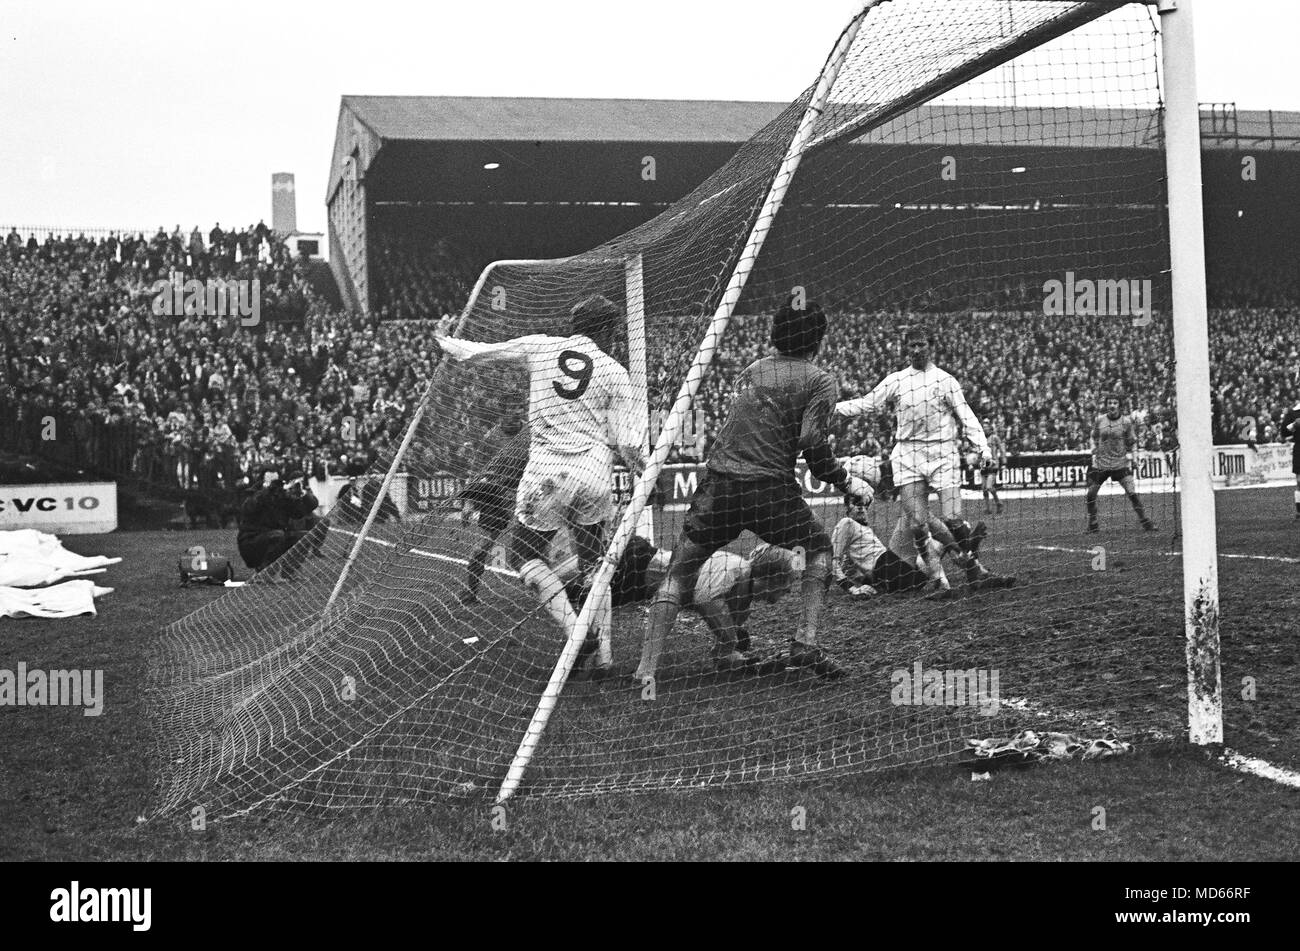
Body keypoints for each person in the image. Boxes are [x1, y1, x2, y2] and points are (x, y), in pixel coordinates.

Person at [635, 298, 873, 683]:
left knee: (679, 573)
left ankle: (645, 672)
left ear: (776, 333)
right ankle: (805, 642)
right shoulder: (819, 380)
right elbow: (813, 442)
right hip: (768, 490)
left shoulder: (751, 370)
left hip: (719, 486)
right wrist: (847, 481)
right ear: (818, 339)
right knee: (819, 550)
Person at [433, 295, 646, 674]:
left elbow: (479, 354)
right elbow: (628, 444)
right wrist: (645, 474)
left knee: (523, 556)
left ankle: (577, 633)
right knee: (596, 563)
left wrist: (445, 340)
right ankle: (606, 657)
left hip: (546, 473)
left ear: (574, 325)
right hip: (594, 473)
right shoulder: (616, 371)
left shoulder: (542, 346)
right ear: (608, 331)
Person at [835, 327, 1013, 593]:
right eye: (912, 346)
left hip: (943, 453)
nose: (916, 350)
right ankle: (941, 581)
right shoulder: (897, 380)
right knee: (917, 522)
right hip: (908, 454)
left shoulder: (945, 380)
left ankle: (974, 567)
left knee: (952, 517)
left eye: (921, 344)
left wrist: (984, 449)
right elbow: (868, 403)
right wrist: (834, 408)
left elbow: (967, 417)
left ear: (930, 346)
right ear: (906, 349)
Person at [562, 536, 799, 669]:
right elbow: (705, 598)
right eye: (787, 582)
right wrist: (730, 637)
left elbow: (721, 657)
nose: (789, 589)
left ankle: (579, 646)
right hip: (636, 562)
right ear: (771, 577)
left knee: (585, 599)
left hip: (640, 587)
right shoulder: (735, 567)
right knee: (577, 589)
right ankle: (548, 579)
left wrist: (752, 665)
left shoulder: (743, 605)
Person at [1085, 395, 1156, 533]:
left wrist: (1135, 458)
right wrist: (1093, 447)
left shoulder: (1126, 422)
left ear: (1119, 405)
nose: (1112, 405)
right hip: (1101, 464)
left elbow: (1133, 442)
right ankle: (1093, 523)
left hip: (1120, 463)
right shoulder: (1099, 420)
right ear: (1106, 405)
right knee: (1090, 495)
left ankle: (1146, 521)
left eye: (1115, 403)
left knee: (1132, 493)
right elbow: (1092, 437)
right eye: (1109, 402)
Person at [236, 470, 324, 573]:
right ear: (262, 481)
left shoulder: (280, 496)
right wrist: (268, 490)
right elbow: (249, 507)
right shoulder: (253, 494)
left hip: (275, 538)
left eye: (276, 481)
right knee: (278, 535)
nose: (274, 485)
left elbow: (303, 511)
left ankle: (288, 572)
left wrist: (302, 494)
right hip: (252, 543)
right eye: (271, 481)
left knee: (305, 536)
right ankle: (266, 572)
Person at [981, 417, 1005, 515]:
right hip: (984, 464)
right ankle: (988, 509)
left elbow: (1002, 449)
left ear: (990, 429)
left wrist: (1004, 463)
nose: (985, 429)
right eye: (984, 427)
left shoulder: (995, 437)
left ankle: (999, 503)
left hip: (993, 464)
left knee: (989, 487)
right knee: (983, 488)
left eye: (987, 427)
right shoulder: (981, 439)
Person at [1282, 400, 1300, 520]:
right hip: (1299, 448)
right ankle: (1299, 512)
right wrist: (1294, 425)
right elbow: (1283, 432)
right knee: (1299, 481)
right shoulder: (1293, 413)